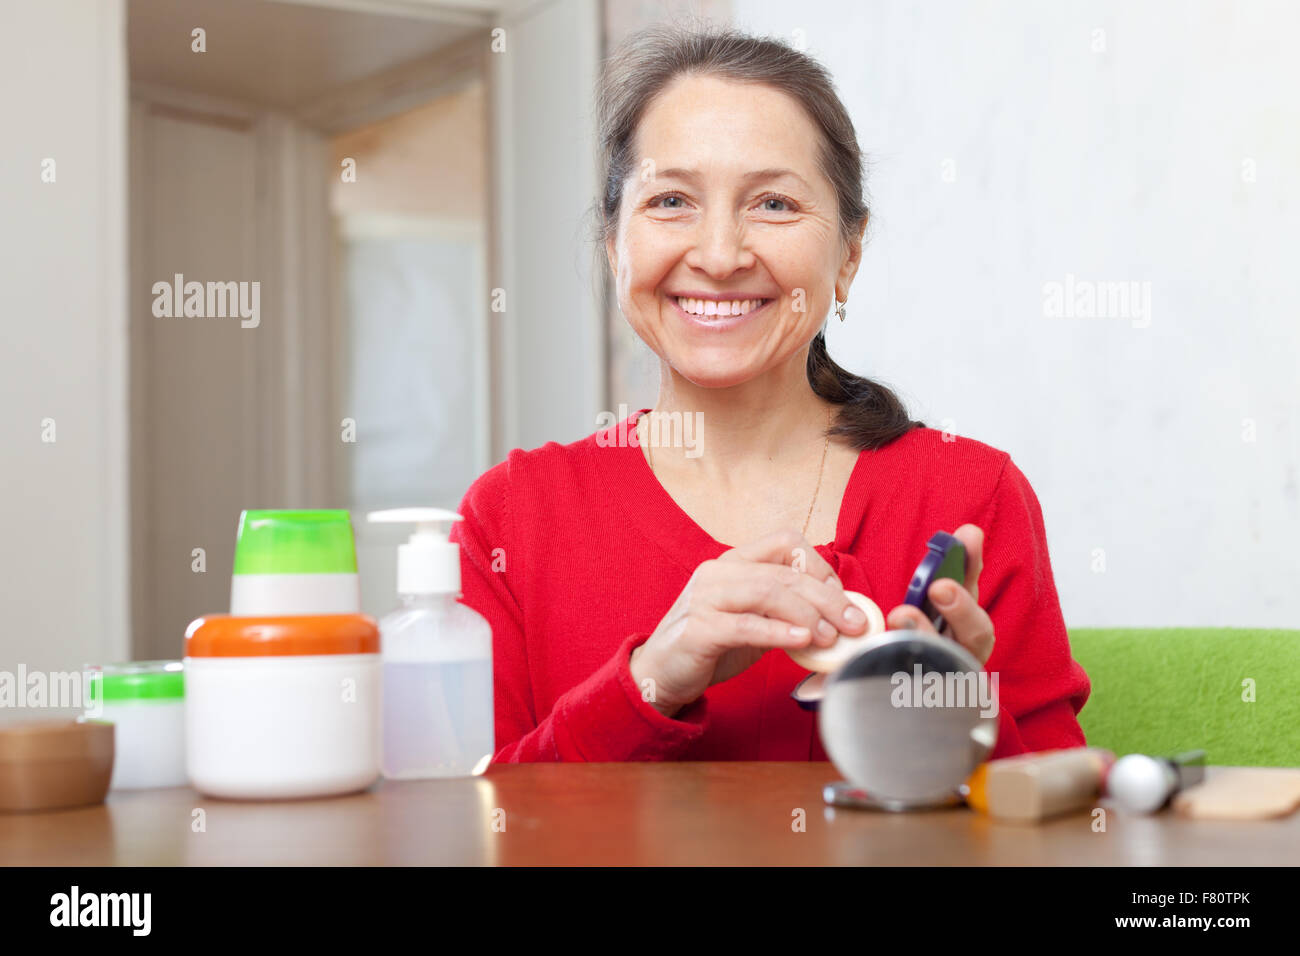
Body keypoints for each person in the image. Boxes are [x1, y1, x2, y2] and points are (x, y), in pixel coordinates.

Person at [450, 23, 1090, 762]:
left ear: (849, 254)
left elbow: (1058, 820)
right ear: (613, 247)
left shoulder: (972, 497)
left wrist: (958, 718)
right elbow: (476, 828)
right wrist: (650, 681)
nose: (720, 256)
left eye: (775, 205)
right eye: (670, 202)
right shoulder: (510, 519)